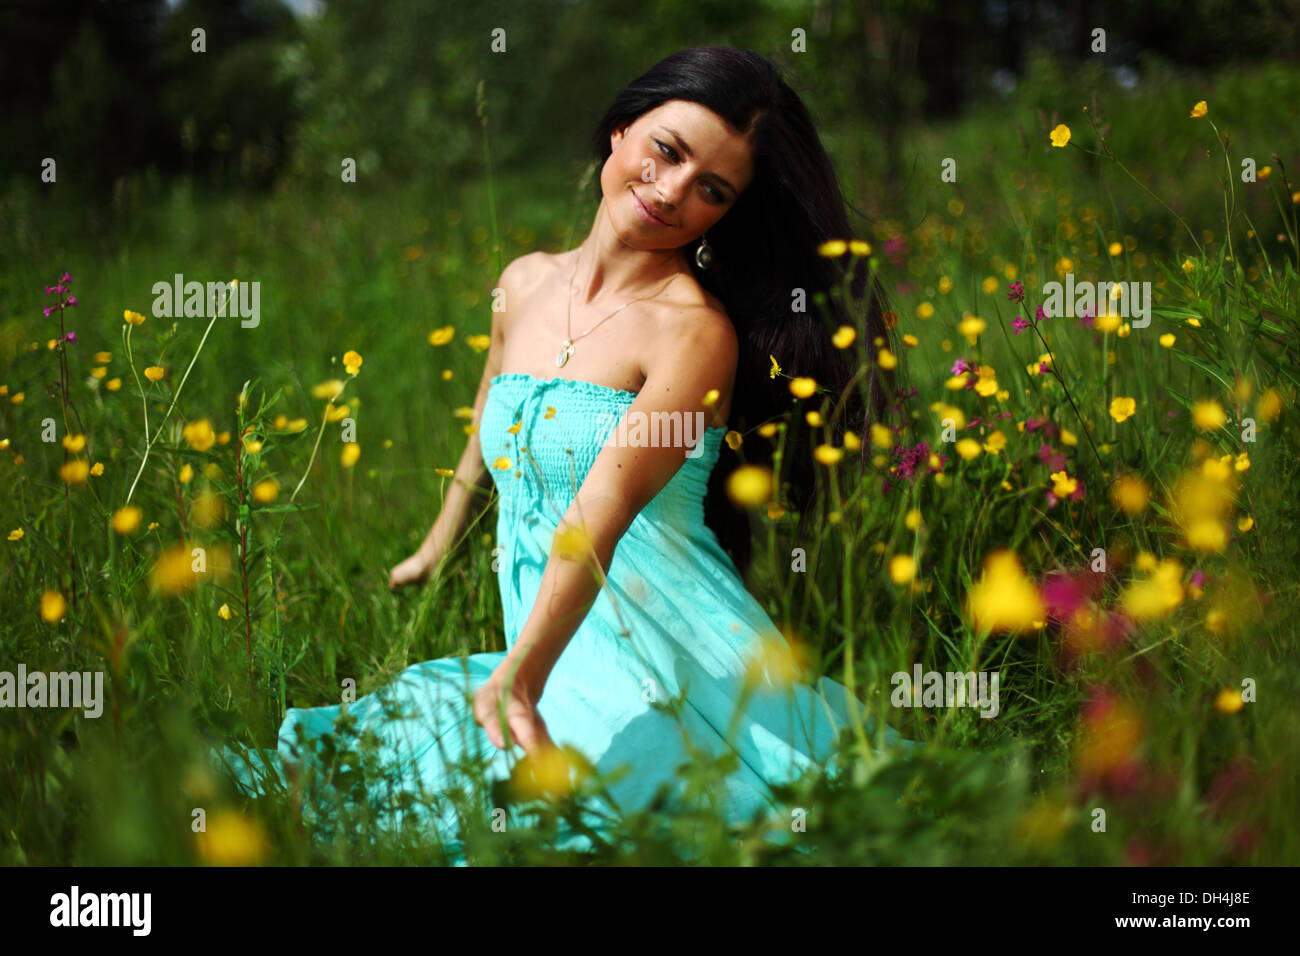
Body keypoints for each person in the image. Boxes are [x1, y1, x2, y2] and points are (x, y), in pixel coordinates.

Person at [217, 45, 913, 864]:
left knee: (595, 818)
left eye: (712, 190)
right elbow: (490, 414)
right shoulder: (524, 283)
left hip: (655, 644)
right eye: (667, 151)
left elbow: (601, 509)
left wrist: (526, 672)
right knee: (358, 769)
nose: (672, 191)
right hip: (550, 639)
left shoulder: (692, 335)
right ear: (620, 130)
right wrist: (439, 541)